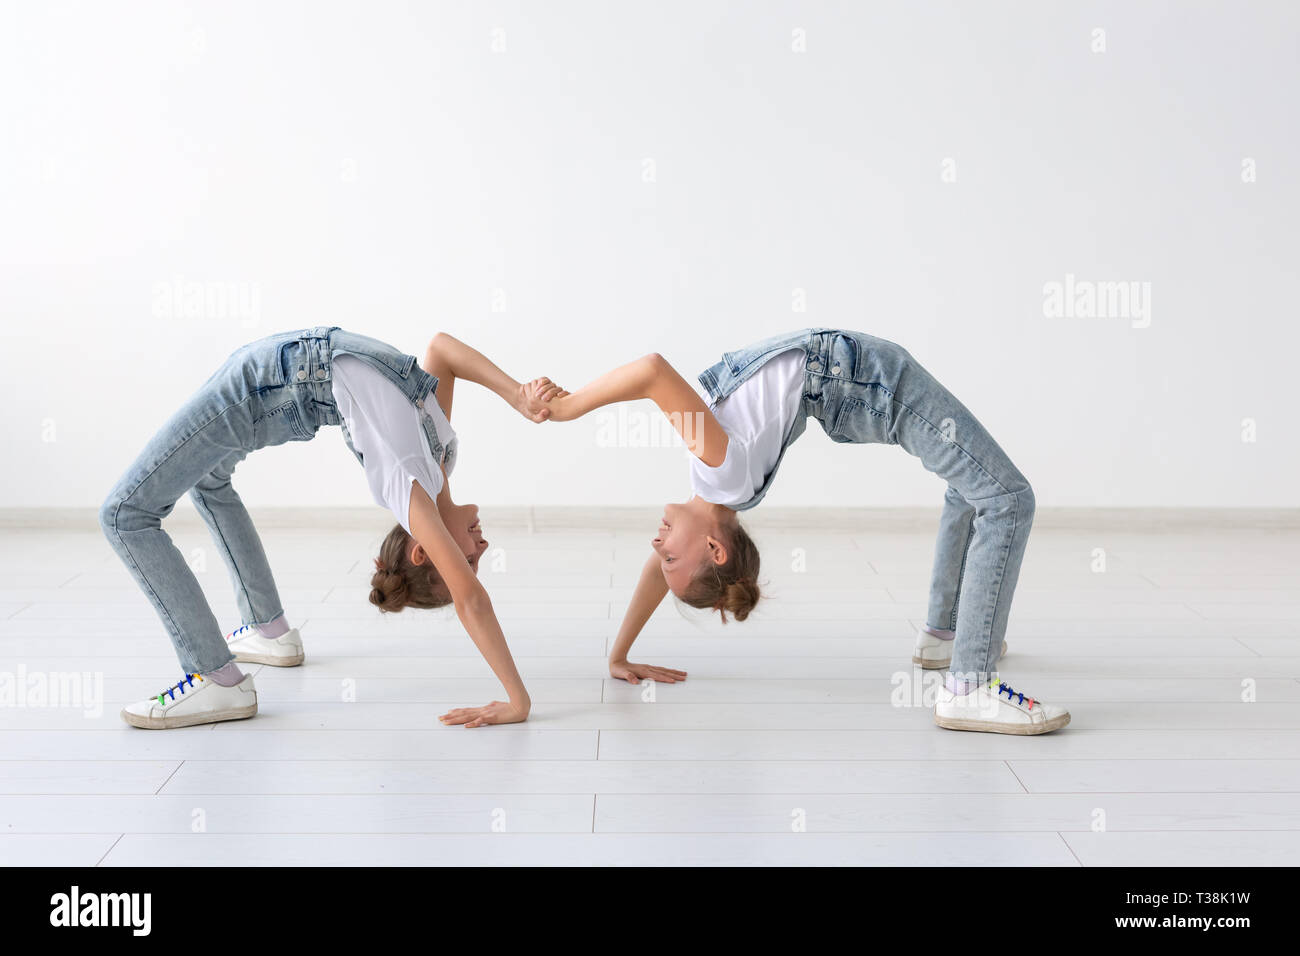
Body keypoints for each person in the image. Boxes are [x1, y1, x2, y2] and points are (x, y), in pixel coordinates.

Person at [539, 328, 1070, 735]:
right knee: (1005, 499)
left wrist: (619, 652)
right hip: (869, 381)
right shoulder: (721, 470)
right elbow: (652, 371)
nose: (656, 548)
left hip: (856, 380)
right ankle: (968, 685)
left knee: (970, 483)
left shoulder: (715, 481)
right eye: (670, 558)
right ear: (715, 547)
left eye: (661, 559)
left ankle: (944, 637)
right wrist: (566, 410)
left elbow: (665, 570)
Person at [100, 327, 562, 730]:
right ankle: (269, 629)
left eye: (468, 559)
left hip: (261, 388)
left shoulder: (407, 484)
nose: (482, 546)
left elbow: (471, 600)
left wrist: (517, 701)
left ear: (425, 551)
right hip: (276, 378)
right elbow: (443, 350)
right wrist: (516, 395)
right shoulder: (439, 459)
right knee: (209, 477)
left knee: (126, 514)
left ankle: (214, 678)